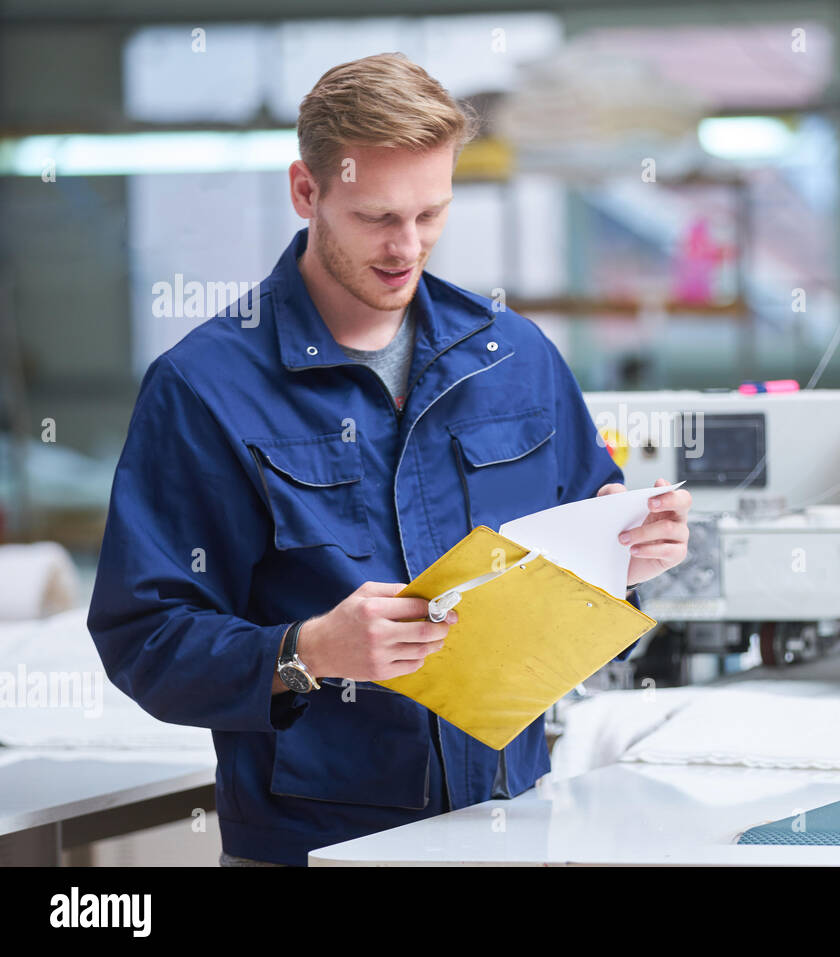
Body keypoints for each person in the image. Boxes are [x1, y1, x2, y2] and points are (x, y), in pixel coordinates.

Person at [86, 53, 691, 867]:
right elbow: (145, 639)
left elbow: (587, 552)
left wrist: (634, 549)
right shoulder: (204, 389)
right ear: (308, 191)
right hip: (313, 849)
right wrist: (304, 652)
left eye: (432, 213)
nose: (408, 247)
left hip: (513, 829)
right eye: (377, 217)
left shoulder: (513, 356)